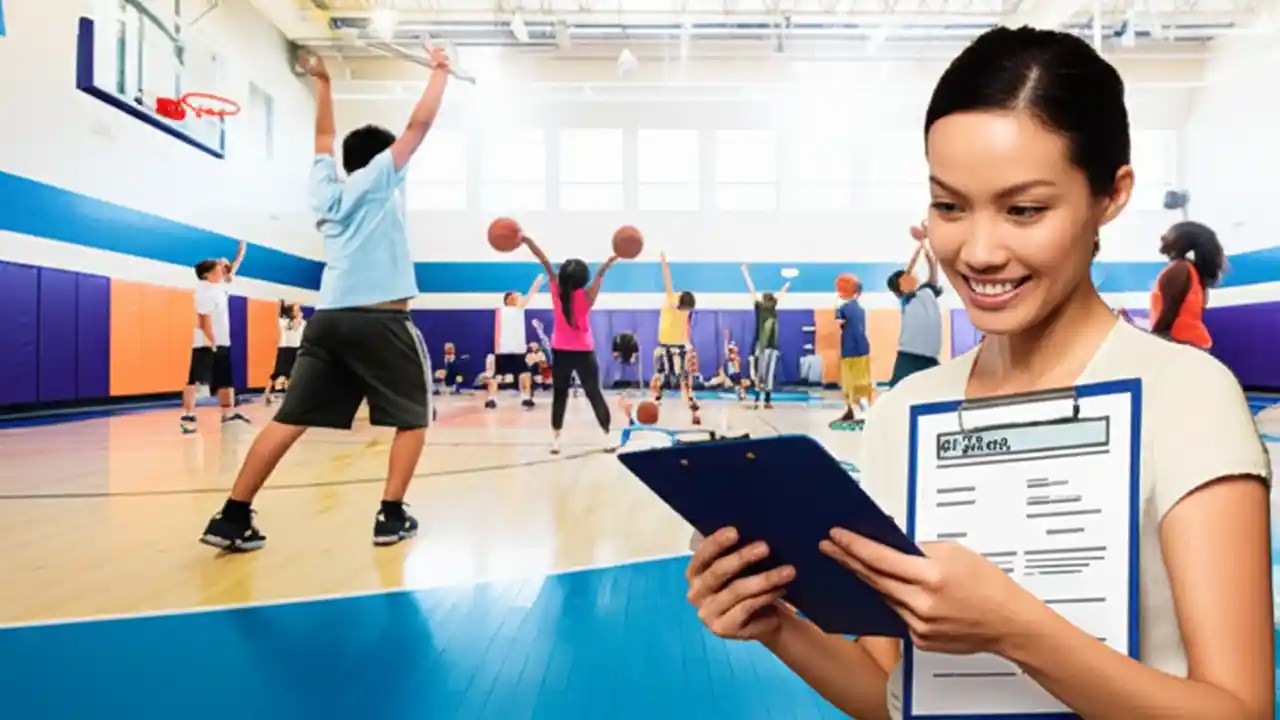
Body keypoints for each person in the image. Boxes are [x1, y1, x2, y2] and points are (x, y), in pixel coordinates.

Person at [683, 26, 1272, 720]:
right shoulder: (908, 412)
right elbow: (888, 694)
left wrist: (1017, 631)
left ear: (1111, 196)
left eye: (1025, 209)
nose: (980, 250)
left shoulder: (1189, 395)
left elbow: (1239, 711)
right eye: (949, 206)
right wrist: (777, 624)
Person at [199, 47, 452, 551]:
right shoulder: (380, 179)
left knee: (289, 417)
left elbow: (322, 139)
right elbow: (418, 126)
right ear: (385, 161)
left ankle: (232, 515)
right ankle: (391, 513)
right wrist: (440, 72)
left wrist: (324, 83)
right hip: (378, 320)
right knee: (414, 417)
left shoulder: (325, 188)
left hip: (328, 319)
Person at [519, 234, 618, 455]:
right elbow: (600, 274)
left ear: (563, 277)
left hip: (561, 352)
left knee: (560, 395)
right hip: (584, 352)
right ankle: (608, 437)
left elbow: (544, 261)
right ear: (583, 279)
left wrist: (527, 241)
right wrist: (609, 262)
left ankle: (555, 441)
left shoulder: (556, 289)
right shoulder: (588, 295)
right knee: (594, 394)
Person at [180, 239, 250, 433]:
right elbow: (203, 322)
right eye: (218, 267)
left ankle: (228, 414)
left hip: (222, 342)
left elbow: (231, 270)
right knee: (196, 380)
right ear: (207, 274)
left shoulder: (219, 286)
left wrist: (240, 252)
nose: (223, 269)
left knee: (225, 379)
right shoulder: (204, 291)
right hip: (207, 343)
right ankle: (188, 415)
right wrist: (212, 343)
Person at [1150, 220, 1224, 349]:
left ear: (1180, 242)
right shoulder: (1192, 271)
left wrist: (1149, 341)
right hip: (1192, 346)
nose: (1163, 236)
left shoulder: (1179, 270)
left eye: (1169, 233)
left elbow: (1167, 319)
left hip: (1180, 346)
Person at [886, 224, 945, 387]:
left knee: (933, 393)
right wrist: (920, 245)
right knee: (898, 392)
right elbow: (910, 267)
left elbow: (933, 265)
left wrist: (927, 245)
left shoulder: (927, 292)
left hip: (930, 357)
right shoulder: (907, 299)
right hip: (909, 355)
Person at [653, 252, 700, 422]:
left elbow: (686, 326)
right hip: (664, 345)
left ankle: (692, 405)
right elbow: (667, 280)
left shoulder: (685, 309)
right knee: (660, 376)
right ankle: (656, 404)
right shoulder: (672, 299)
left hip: (678, 346)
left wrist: (688, 342)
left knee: (684, 378)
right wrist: (664, 263)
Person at [485, 275, 544, 410]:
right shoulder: (504, 310)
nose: (520, 298)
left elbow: (530, 295)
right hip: (503, 348)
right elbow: (530, 294)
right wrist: (537, 282)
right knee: (495, 376)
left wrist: (537, 283)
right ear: (509, 299)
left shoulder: (518, 309)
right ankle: (491, 398)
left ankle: (526, 397)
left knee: (524, 374)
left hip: (517, 348)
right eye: (517, 296)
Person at [740, 263, 790, 409]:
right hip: (764, 345)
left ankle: (761, 400)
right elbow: (754, 290)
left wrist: (745, 272)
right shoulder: (763, 307)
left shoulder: (765, 306)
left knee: (764, 375)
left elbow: (752, 290)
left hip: (768, 346)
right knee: (764, 375)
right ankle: (763, 400)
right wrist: (785, 286)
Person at [835, 275, 871, 425]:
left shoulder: (843, 308)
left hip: (849, 350)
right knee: (862, 380)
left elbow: (839, 323)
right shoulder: (861, 310)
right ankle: (859, 411)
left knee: (849, 382)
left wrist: (837, 306)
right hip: (863, 349)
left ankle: (856, 411)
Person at [266, 301, 305, 405]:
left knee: (292, 373)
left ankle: (290, 395)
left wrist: (300, 318)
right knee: (279, 372)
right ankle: (268, 393)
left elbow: (300, 330)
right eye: (296, 309)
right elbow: (293, 326)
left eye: (299, 309)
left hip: (296, 349)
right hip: (285, 349)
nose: (299, 310)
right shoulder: (283, 321)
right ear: (291, 311)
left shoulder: (303, 322)